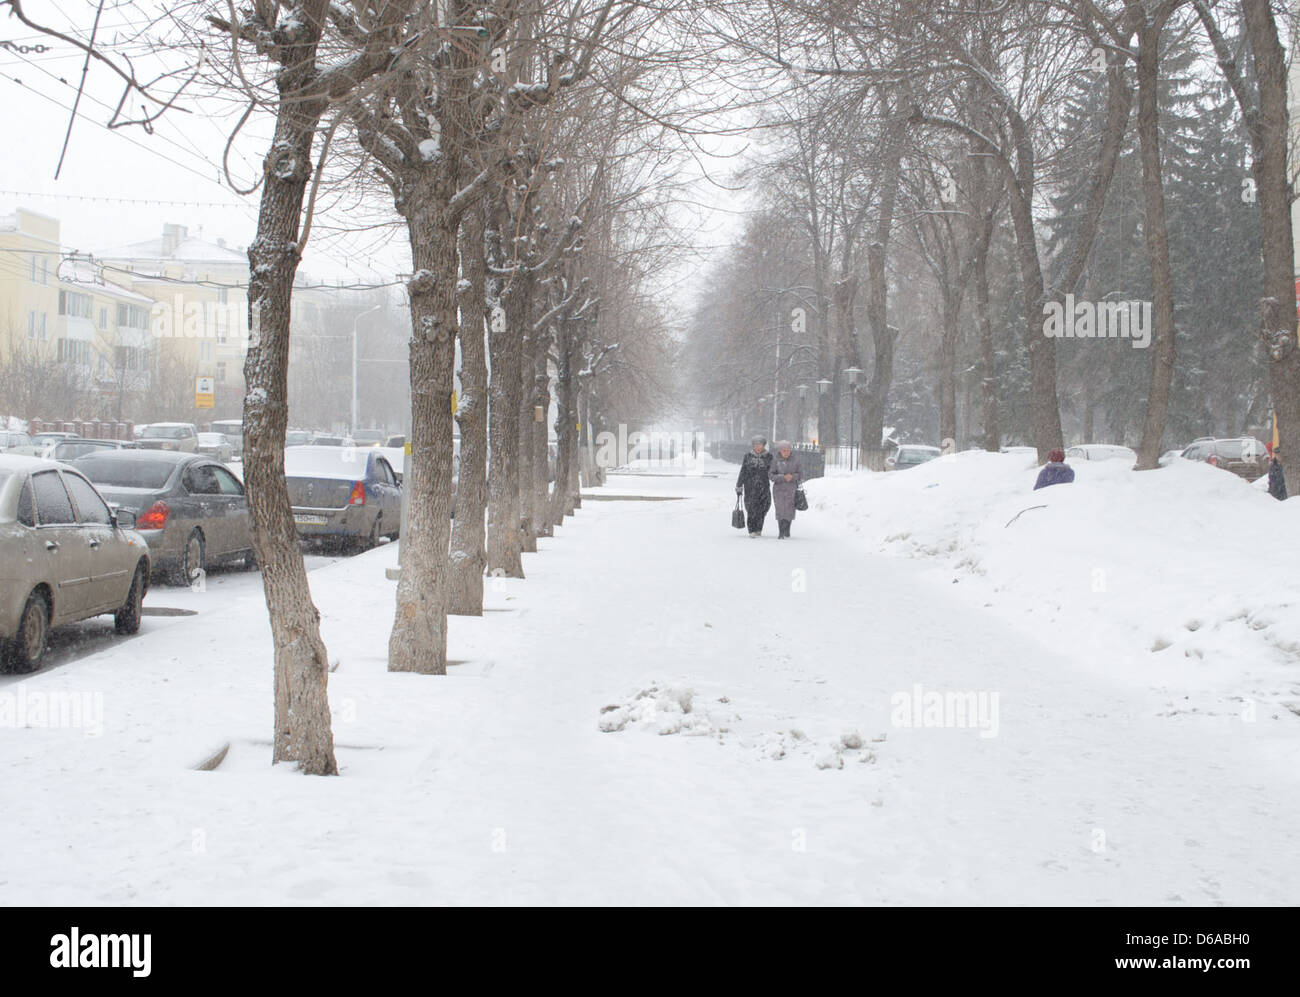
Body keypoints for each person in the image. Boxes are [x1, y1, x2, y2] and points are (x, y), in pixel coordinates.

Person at [735, 435, 773, 537]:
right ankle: (751, 530)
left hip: (764, 487)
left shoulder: (769, 457)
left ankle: (758, 528)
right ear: (753, 446)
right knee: (751, 508)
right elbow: (743, 471)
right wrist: (739, 485)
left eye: (760, 445)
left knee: (763, 509)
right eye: (756, 445)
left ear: (764, 445)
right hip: (750, 487)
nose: (758, 447)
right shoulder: (748, 456)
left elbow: (773, 471)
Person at [768, 440, 802, 539]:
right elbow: (771, 475)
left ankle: (787, 530)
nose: (786, 452)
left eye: (788, 450)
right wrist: (782, 477)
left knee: (790, 509)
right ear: (780, 451)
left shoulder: (796, 460)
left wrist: (792, 477)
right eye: (784, 451)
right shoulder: (775, 460)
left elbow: (800, 474)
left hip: (791, 489)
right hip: (778, 489)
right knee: (780, 510)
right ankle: (781, 532)